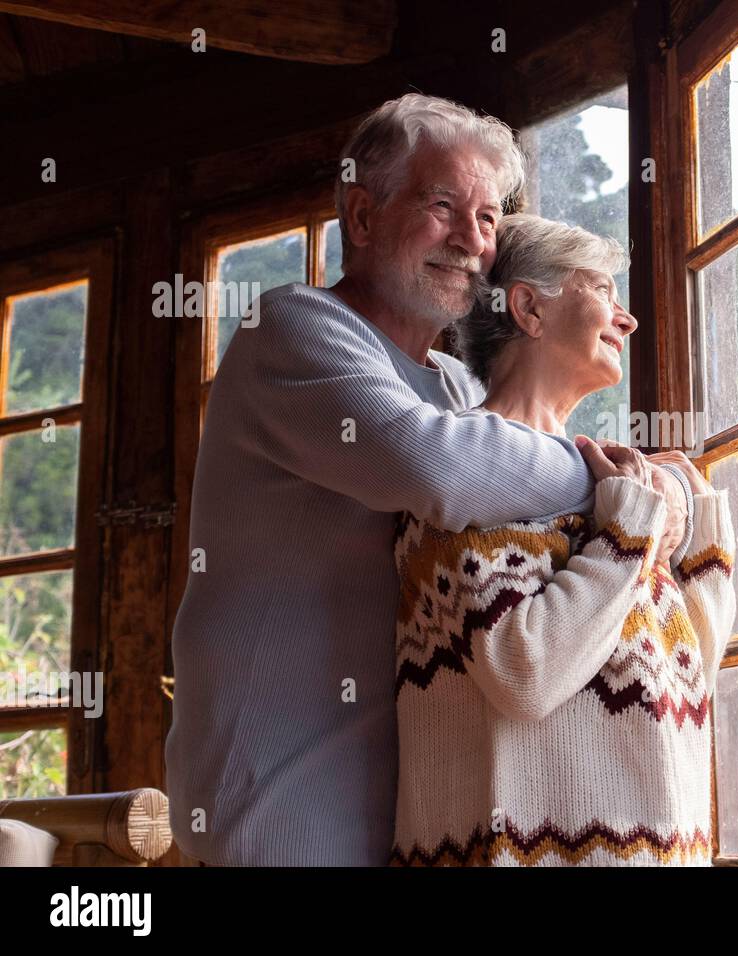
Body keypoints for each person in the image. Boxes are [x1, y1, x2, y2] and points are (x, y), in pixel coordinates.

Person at [164, 95, 697, 866]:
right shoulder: (292, 329)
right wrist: (625, 490)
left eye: (487, 220)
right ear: (363, 215)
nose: (471, 241)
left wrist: (649, 486)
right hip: (278, 811)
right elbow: (436, 465)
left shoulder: (450, 384)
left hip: (415, 818)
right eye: (443, 205)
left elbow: (498, 463)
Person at [391, 215, 737, 866]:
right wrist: (630, 531)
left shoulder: (603, 492)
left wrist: (699, 520)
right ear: (529, 307)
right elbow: (526, 674)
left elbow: (689, 681)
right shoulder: (468, 474)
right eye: (604, 289)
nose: (627, 320)